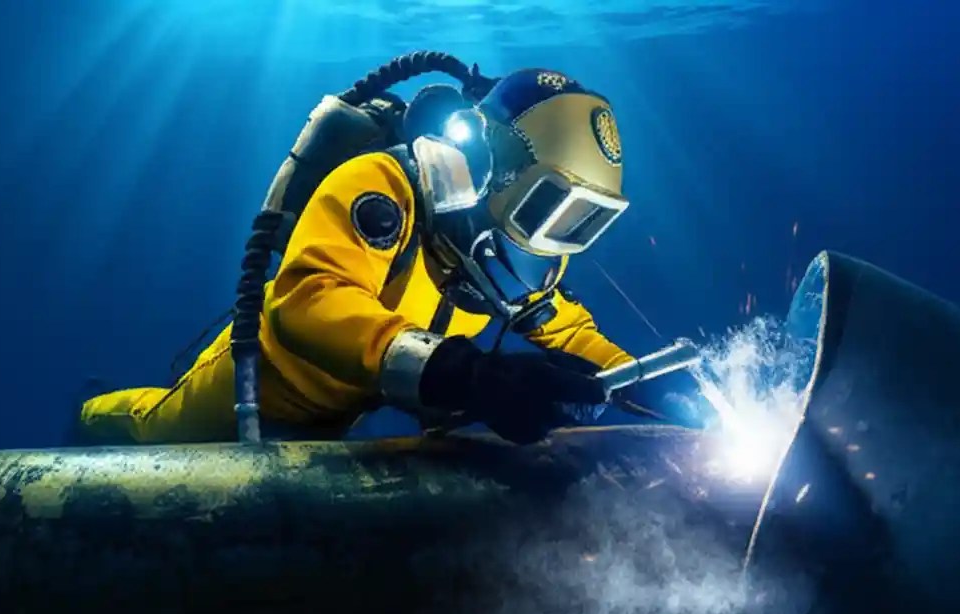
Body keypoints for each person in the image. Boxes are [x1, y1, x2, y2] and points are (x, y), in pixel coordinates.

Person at [79, 68, 659, 446]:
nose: (549, 241)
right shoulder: (383, 184)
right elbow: (308, 301)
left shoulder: (514, 256)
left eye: (581, 222)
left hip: (346, 408)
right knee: (157, 430)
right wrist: (463, 375)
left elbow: (560, 322)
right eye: (550, 207)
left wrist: (640, 382)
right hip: (269, 384)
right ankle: (91, 413)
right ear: (492, 163)